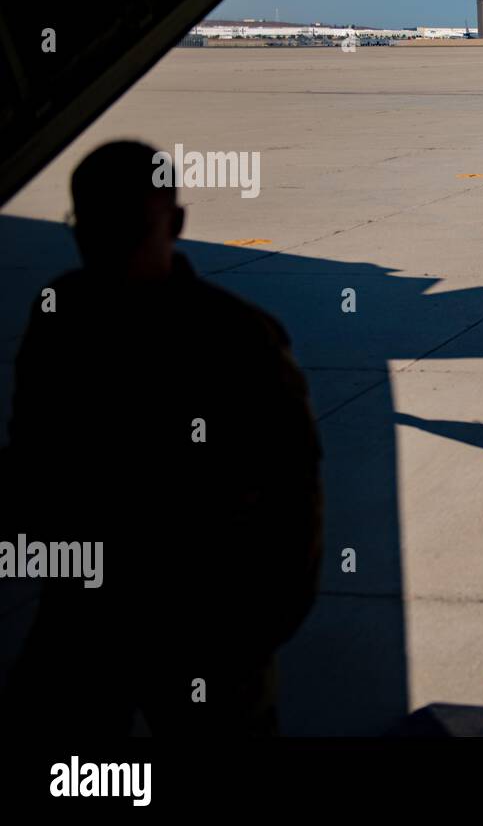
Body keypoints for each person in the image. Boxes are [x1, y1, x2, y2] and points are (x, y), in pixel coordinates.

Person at [1, 141, 323, 736]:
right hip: (98, 621)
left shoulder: (229, 339)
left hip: (200, 629)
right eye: (94, 225)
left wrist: (253, 632)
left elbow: (292, 498)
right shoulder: (70, 318)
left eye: (126, 226)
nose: (106, 244)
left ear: (173, 224)